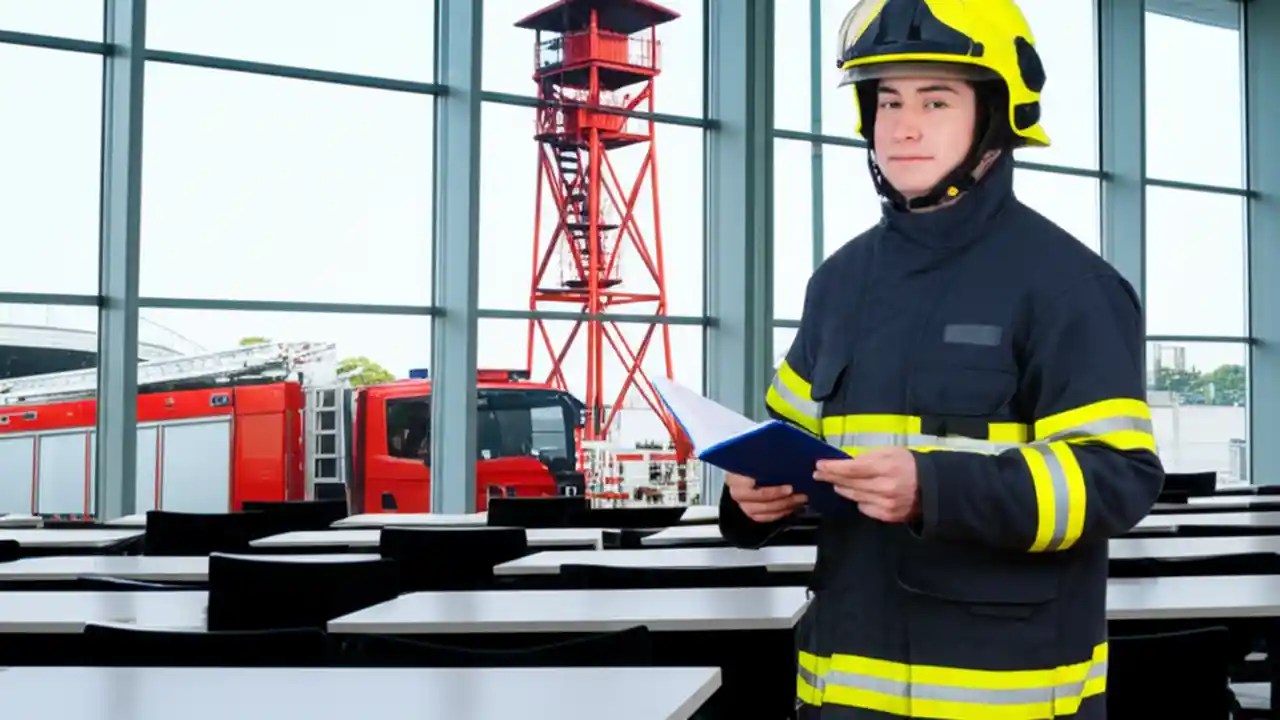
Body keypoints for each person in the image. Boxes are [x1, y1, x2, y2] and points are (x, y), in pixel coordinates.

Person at [718, 1, 1165, 718]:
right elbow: (785, 443)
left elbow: (1117, 478)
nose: (903, 125)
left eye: (935, 99)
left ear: (994, 115)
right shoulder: (837, 284)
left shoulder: (1068, 286)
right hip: (842, 688)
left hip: (1006, 694)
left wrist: (935, 487)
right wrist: (751, 499)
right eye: (887, 99)